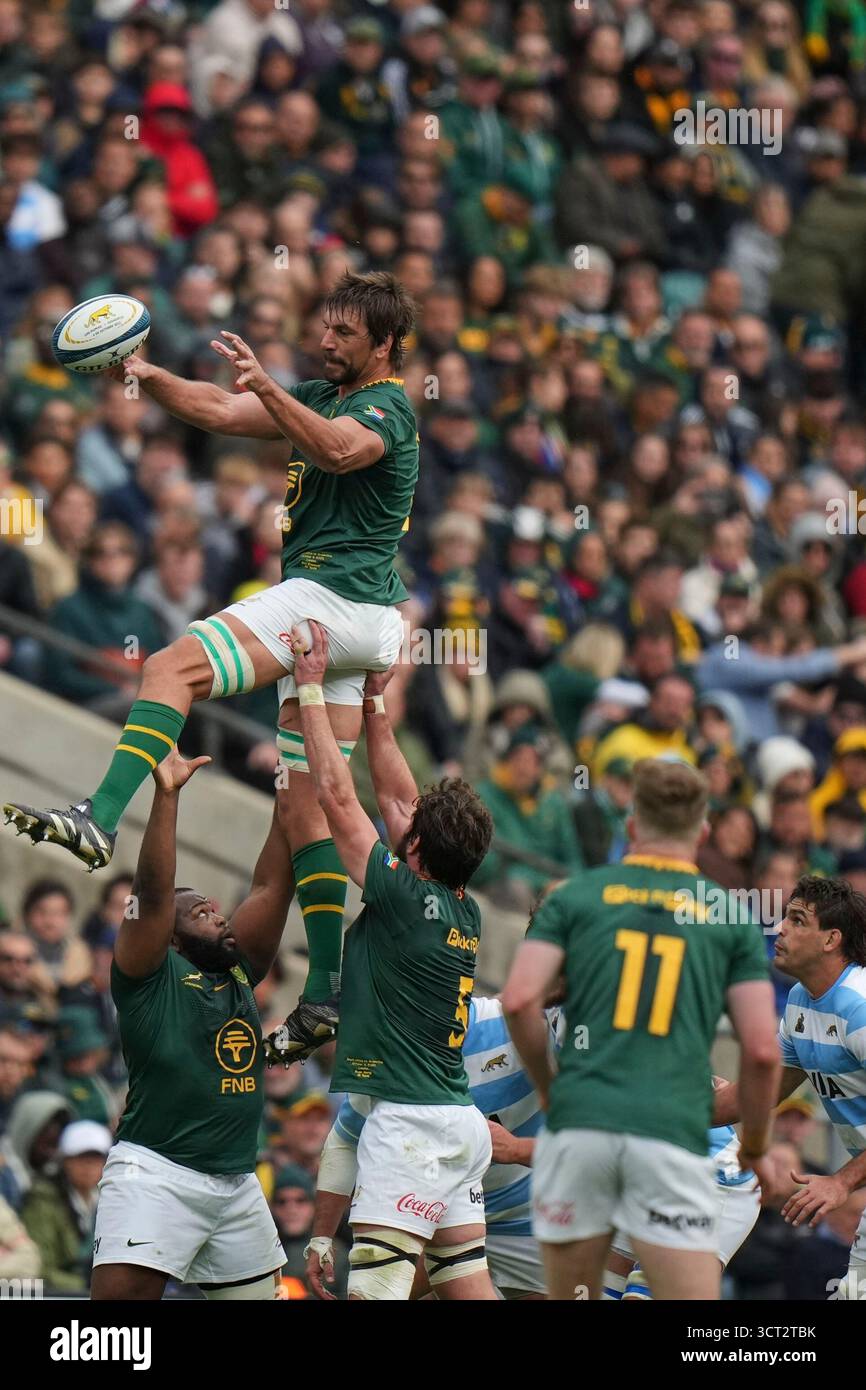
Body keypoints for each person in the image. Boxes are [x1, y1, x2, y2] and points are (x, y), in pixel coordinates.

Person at [4, 270, 418, 1066]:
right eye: (323, 327)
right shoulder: (323, 392)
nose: (324, 341)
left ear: (385, 344)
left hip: (327, 599)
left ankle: (99, 815)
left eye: (343, 334)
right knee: (305, 805)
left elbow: (335, 452)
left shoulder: (387, 405)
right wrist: (148, 375)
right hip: (364, 624)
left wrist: (267, 386)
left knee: (169, 667)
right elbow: (223, 411)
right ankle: (326, 985)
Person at [501, 758, 781, 1301]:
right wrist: (757, 1148)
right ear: (701, 833)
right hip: (671, 1138)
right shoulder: (729, 916)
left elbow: (518, 1000)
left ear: (631, 827)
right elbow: (764, 1053)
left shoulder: (574, 896)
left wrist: (550, 1092)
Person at [275, 623, 495, 1300]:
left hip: (412, 1127)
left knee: (373, 1296)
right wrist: (373, 708)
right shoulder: (460, 904)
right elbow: (401, 802)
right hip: (456, 1124)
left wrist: (312, 691)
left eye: (412, 829)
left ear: (417, 851)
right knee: (468, 1293)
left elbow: (340, 799)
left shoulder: (400, 895)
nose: (404, 817)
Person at [90, 745, 295, 1302]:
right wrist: (168, 795)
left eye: (215, 907)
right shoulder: (146, 975)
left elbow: (273, 886)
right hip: (156, 1177)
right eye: (199, 912)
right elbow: (151, 895)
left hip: (235, 1185)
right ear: (172, 938)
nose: (217, 912)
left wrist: (291, 790)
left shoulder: (239, 971)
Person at [308, 990, 562, 1300]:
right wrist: (321, 1238)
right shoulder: (391, 1053)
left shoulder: (518, 1028)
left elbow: (596, 1146)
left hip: (526, 1219)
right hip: (439, 1220)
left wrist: (516, 1148)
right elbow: (345, 1141)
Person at [714, 875, 866, 1300]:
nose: (780, 928)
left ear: (831, 939)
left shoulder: (859, 1007)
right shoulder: (800, 1000)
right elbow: (753, 1097)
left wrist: (840, 1182)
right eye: (785, 917)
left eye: (798, 920)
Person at [22, 1118, 112, 1294]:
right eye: (80, 1158)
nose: (88, 1167)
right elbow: (41, 1266)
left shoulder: (111, 1200)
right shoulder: (42, 1200)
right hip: (57, 1294)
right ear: (65, 1161)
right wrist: (83, 1285)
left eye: (95, 1159)